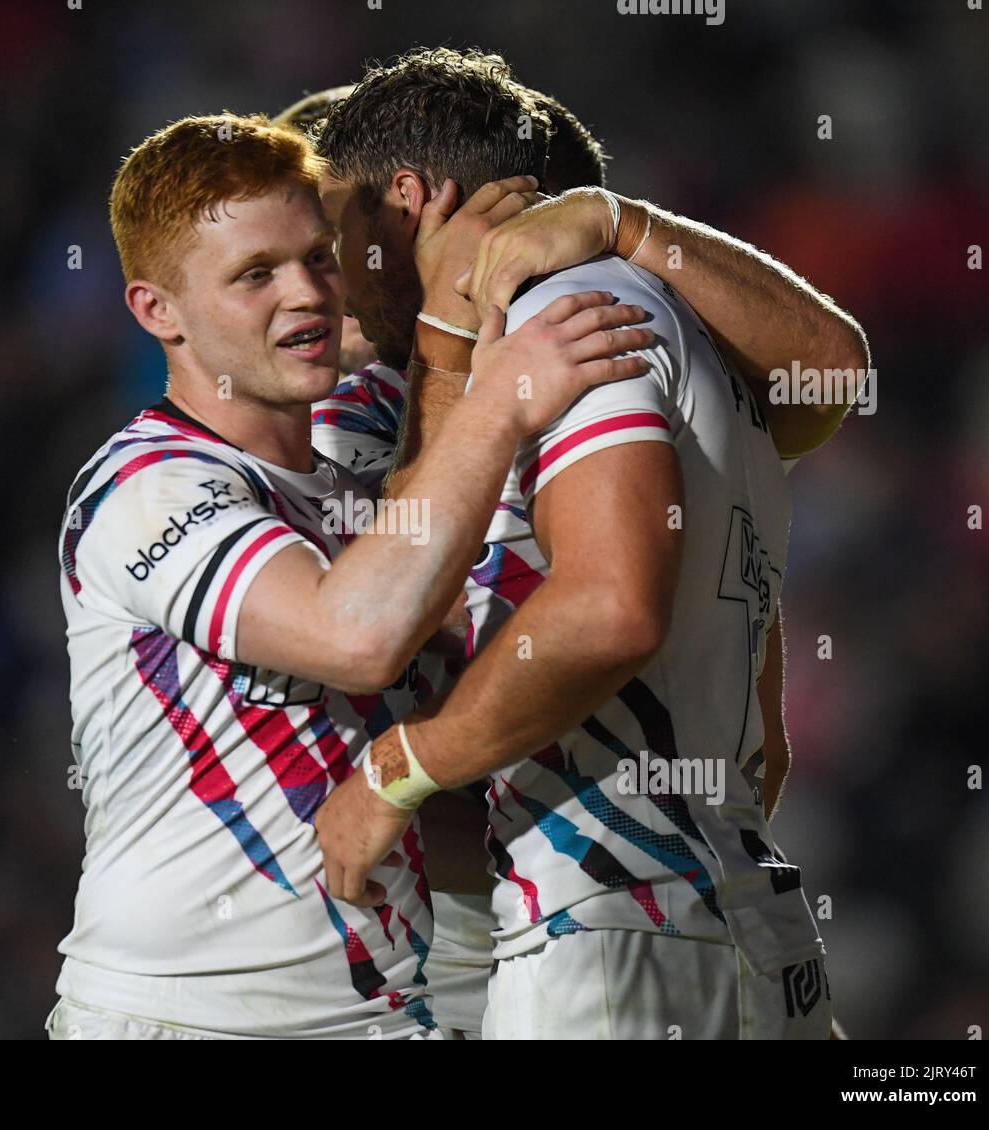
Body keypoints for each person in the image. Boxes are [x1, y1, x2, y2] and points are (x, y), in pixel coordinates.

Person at [47, 111, 652, 1039]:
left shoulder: (350, 467)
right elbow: (357, 638)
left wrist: (580, 235)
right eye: (255, 274)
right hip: (187, 1018)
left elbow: (427, 582)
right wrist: (500, 400)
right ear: (155, 311)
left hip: (381, 1011)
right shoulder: (146, 486)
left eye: (317, 259)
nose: (305, 295)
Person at [311, 47, 870, 1039]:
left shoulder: (560, 316)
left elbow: (604, 606)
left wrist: (399, 766)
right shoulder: (699, 339)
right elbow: (834, 374)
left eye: (338, 229)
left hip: (610, 927)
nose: (330, 279)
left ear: (409, 199)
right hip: (744, 917)